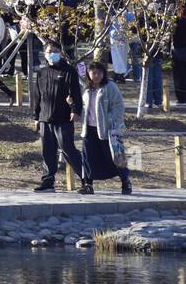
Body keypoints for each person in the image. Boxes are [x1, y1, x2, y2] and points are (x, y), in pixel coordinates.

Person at [78, 56, 133, 196]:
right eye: (93, 73)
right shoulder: (86, 89)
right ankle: (88, 185)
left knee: (113, 156)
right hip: (89, 128)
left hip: (107, 129)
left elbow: (118, 106)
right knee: (88, 157)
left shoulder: (110, 87)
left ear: (104, 73)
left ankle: (125, 180)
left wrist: (111, 120)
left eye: (99, 72)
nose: (96, 75)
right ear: (89, 74)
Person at [33, 41, 83, 192]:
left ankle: (86, 178)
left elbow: (76, 93)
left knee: (68, 149)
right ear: (45, 53)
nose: (52, 54)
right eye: (49, 51)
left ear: (60, 52)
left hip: (63, 118)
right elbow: (37, 96)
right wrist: (36, 116)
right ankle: (48, 181)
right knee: (47, 151)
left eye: (55, 51)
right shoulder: (41, 72)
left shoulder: (69, 71)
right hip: (45, 118)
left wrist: (75, 110)